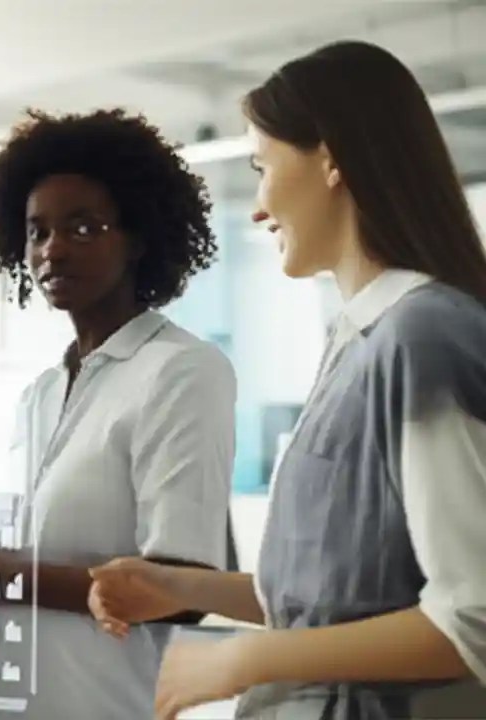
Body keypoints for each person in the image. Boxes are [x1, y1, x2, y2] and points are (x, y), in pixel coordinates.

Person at [88, 40, 486, 720]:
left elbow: (471, 619)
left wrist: (242, 660)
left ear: (330, 159)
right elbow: (339, 595)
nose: (259, 207)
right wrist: (180, 585)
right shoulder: (358, 339)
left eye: (263, 167)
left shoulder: (423, 337)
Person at [0, 108, 236, 719]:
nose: (54, 249)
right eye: (38, 232)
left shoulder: (181, 370)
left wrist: (2, 570)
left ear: (138, 238)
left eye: (84, 228)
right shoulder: (41, 393)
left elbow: (181, 590)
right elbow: (39, 559)